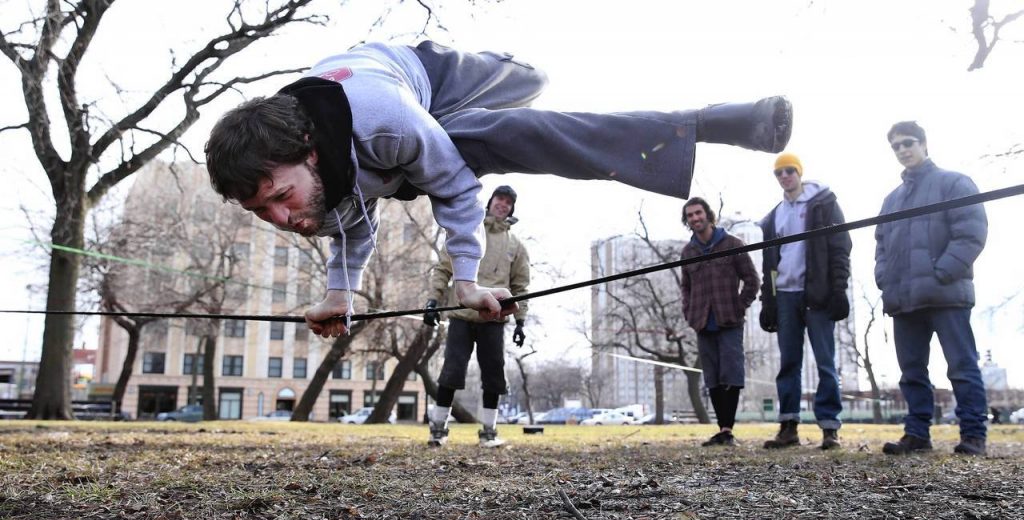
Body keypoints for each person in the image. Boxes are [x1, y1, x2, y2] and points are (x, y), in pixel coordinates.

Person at [204, 41, 793, 335]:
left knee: (518, 121)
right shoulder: (303, 174)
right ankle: (710, 122)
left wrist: (467, 279)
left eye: (279, 197)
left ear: (308, 152)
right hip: (381, 139)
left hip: (433, 79)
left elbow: (458, 193)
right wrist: (340, 294)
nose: (281, 218)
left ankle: (717, 121)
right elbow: (354, 222)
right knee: (462, 146)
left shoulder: (383, 119)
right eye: (261, 211)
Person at [875, 121, 989, 456]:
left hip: (946, 295)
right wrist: (884, 277)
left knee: (961, 366)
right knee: (911, 372)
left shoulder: (954, 183)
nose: (902, 150)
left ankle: (973, 435)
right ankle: (917, 434)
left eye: (907, 142)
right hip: (903, 299)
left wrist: (942, 272)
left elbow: (972, 233)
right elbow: (880, 245)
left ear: (923, 143)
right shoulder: (891, 200)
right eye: (895, 146)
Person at [422, 185, 529, 447]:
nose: (502, 204)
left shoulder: (516, 246)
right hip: (461, 313)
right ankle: (438, 429)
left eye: (508, 202)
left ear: (512, 209)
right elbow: (444, 267)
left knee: (494, 372)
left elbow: (520, 286)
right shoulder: (469, 232)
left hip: (494, 318)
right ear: (490, 201)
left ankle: (489, 431)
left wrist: (520, 321)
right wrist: (433, 300)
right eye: (499, 199)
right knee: (452, 369)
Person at [758, 152, 852, 450]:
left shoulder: (824, 204)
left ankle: (829, 428)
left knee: (826, 362)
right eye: (779, 173)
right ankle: (788, 427)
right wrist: (767, 301)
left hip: (818, 293)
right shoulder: (774, 216)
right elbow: (769, 262)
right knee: (789, 363)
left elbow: (840, 247)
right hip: (785, 295)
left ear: (799, 172)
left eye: (789, 170)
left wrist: (839, 289)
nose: (785, 176)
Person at [679, 197, 760, 446]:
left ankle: (727, 429)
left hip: (730, 320)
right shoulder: (688, 252)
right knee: (712, 377)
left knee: (731, 374)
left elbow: (752, 280)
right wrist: (689, 313)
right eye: (690, 215)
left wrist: (739, 305)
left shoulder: (733, 244)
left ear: (708, 215)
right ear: (687, 221)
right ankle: (722, 430)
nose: (695, 218)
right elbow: (686, 289)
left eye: (698, 213)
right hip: (703, 323)